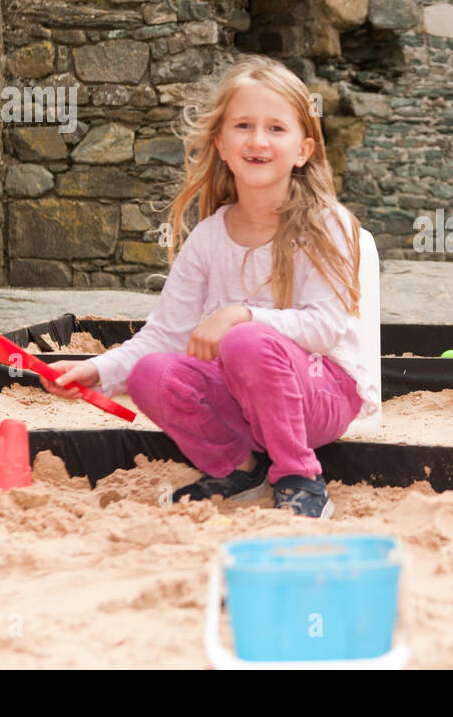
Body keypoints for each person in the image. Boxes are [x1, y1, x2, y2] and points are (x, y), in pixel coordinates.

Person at [39, 55, 379, 519]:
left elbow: (324, 328)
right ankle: (240, 469)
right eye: (243, 125)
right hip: (242, 400)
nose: (258, 140)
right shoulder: (209, 237)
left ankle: (300, 476)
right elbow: (165, 334)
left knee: (246, 339)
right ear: (220, 143)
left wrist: (241, 314)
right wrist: (98, 370)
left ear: (303, 149)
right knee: (151, 373)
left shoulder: (325, 225)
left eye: (276, 128)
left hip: (319, 396)